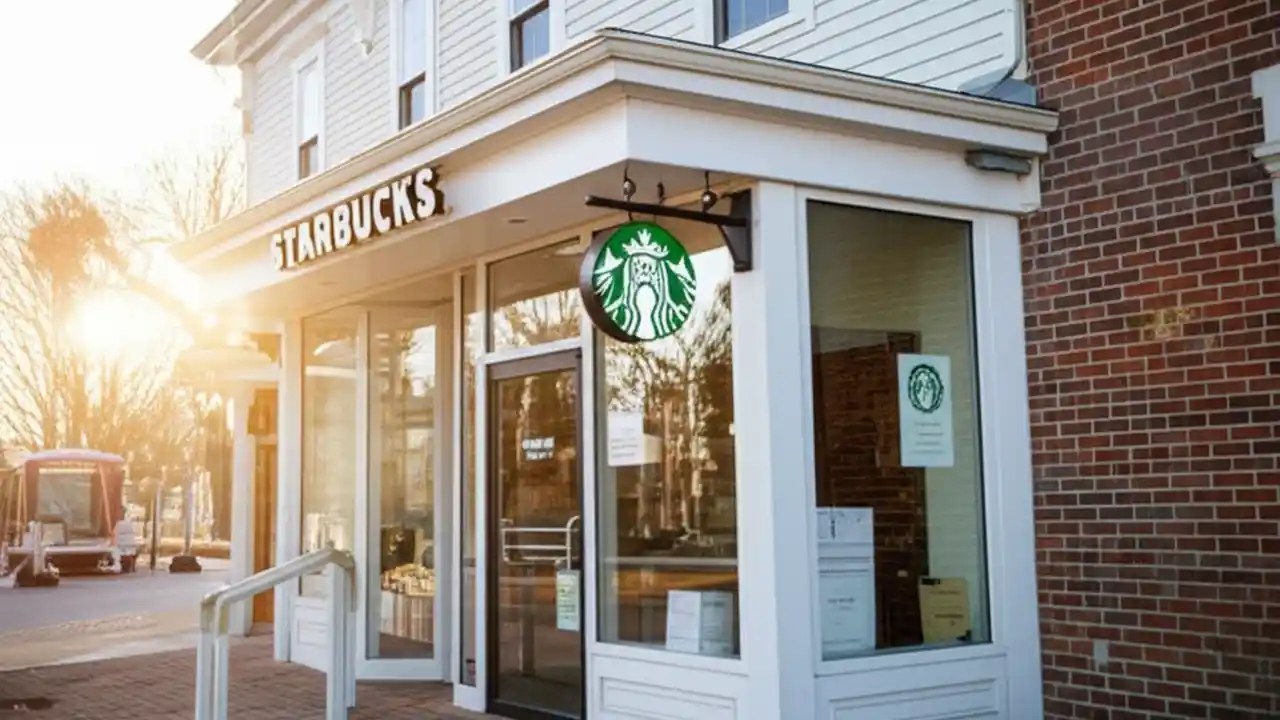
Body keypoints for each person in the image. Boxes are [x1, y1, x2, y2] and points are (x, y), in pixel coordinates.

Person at [114, 508, 137, 573]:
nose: (119, 514)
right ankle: (125, 566)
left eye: (121, 512)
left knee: (129, 553)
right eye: (119, 512)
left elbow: (132, 532)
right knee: (122, 553)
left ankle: (130, 566)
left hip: (127, 541)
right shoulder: (117, 522)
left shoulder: (128, 522)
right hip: (121, 542)